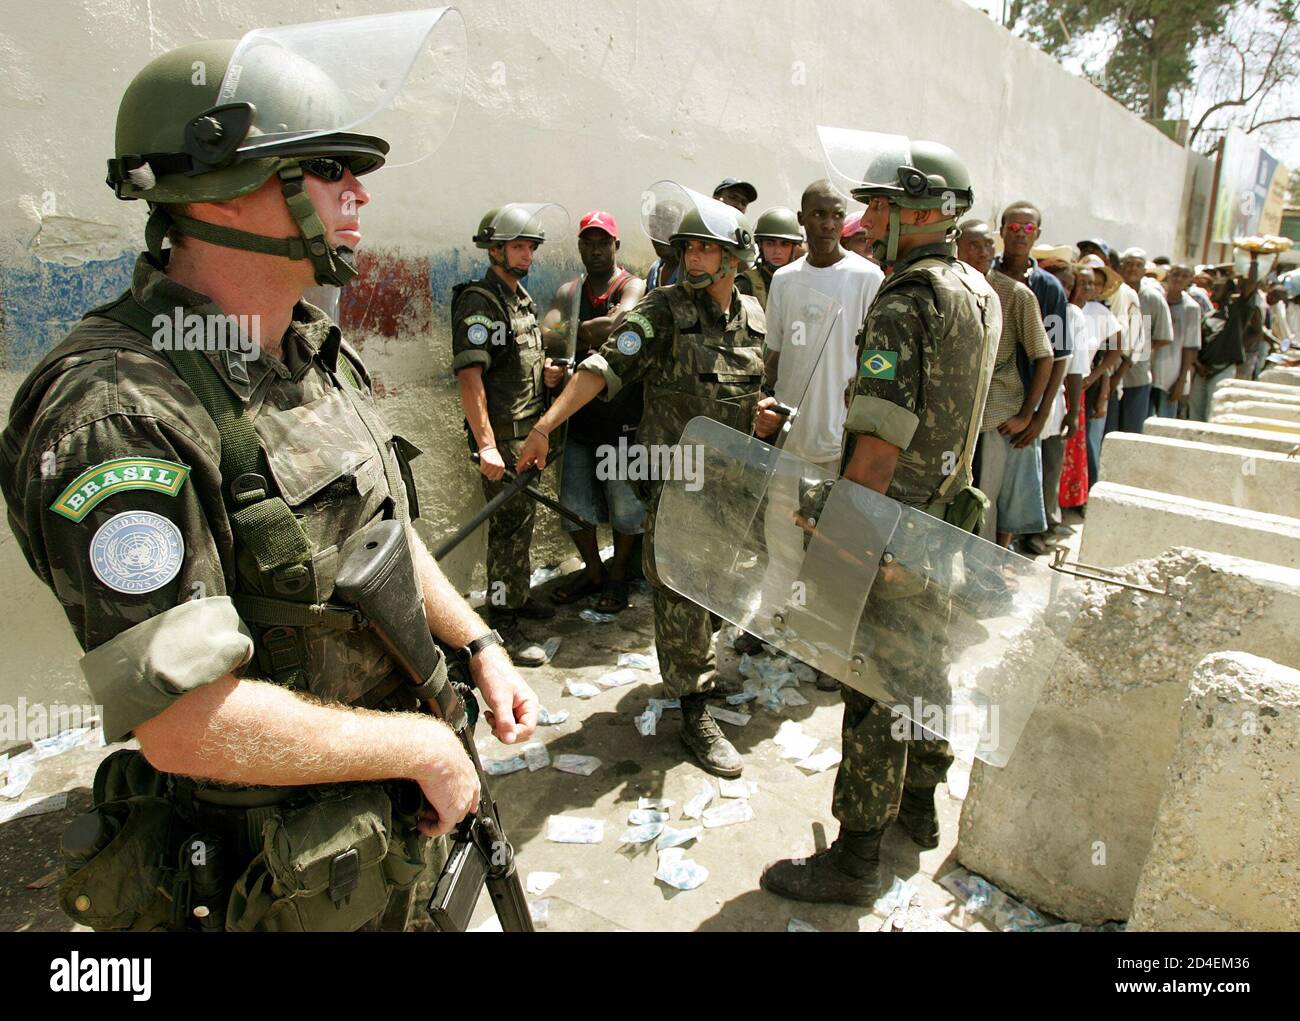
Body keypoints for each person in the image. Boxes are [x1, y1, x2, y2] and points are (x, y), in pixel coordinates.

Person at [0, 16, 537, 932]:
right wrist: (416, 743)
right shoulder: (120, 409)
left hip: (385, 826)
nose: (358, 192)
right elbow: (183, 722)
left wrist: (476, 643)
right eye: (327, 168)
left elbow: (379, 528)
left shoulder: (305, 345)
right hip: (268, 878)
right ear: (217, 189)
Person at [760, 134, 999, 903]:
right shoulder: (977, 290)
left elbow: (876, 447)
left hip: (893, 525)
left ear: (915, 210)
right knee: (928, 671)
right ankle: (920, 812)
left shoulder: (906, 300)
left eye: (877, 204)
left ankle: (856, 855)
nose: (864, 218)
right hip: (949, 526)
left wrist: (841, 543)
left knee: (871, 685)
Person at [516, 186, 766, 779]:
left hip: (732, 481)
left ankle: (699, 679)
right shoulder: (660, 309)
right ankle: (694, 709)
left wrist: (763, 413)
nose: (694, 259)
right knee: (678, 592)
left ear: (735, 257)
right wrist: (545, 428)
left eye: (707, 249)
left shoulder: (753, 316)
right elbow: (602, 370)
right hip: (675, 479)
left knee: (714, 590)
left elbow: (744, 386)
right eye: (688, 249)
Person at [740, 180, 883, 687]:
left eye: (834, 215)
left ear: (843, 221)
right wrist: (767, 406)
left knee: (835, 546)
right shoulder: (785, 281)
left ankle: (827, 644)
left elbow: (878, 357)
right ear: (801, 220)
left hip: (841, 437)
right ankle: (773, 621)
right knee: (782, 536)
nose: (825, 224)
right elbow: (775, 353)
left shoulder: (867, 277)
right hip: (790, 435)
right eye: (816, 215)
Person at [452, 206, 562, 667]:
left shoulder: (521, 300)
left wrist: (549, 375)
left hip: (528, 436)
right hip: (504, 439)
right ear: (494, 248)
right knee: (505, 533)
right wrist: (486, 445)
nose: (527, 254)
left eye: (531, 247)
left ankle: (514, 597)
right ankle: (502, 622)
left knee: (521, 528)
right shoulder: (481, 300)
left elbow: (518, 365)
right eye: (518, 246)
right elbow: (470, 377)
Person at [542, 211, 647, 613]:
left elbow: (622, 322)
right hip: (578, 422)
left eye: (604, 242)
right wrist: (552, 366)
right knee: (574, 504)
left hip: (621, 419)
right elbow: (549, 336)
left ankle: (618, 577)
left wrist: (578, 329)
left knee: (625, 507)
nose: (596, 249)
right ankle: (594, 571)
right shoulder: (569, 290)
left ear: (616, 246)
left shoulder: (631, 284)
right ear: (581, 246)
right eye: (589, 242)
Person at [956, 220, 1053, 548]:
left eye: (987, 245)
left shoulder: (1014, 294)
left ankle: (978, 578)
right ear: (957, 245)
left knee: (981, 501)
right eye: (974, 245)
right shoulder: (947, 286)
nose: (982, 252)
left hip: (990, 418)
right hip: (952, 417)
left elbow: (1045, 355)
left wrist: (1030, 414)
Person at [1076, 254, 1126, 484]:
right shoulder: (1064, 305)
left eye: (1096, 283)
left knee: (1084, 441)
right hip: (1060, 383)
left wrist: (1096, 376)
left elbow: (1117, 348)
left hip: (1085, 384)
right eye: (1086, 281)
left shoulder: (1101, 313)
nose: (1090, 287)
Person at [1057, 263, 1096, 512]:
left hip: (1080, 387)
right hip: (1063, 389)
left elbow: (1129, 346)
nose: (1083, 288)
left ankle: (1074, 502)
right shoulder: (1060, 312)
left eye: (1088, 284)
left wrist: (1101, 386)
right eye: (1078, 283)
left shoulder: (1100, 312)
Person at [1153, 265, 1201, 418]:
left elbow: (1190, 346)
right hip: (1148, 370)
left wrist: (1181, 380)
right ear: (1168, 275)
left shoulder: (1191, 308)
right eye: (1175, 274)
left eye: (1184, 275)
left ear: (1190, 280)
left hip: (1171, 375)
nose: (1178, 279)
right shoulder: (1157, 300)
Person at [737, 206, 803, 306]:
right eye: (770, 244)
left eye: (785, 244)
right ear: (760, 246)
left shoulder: (803, 284)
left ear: (793, 249)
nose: (777, 251)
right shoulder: (745, 284)